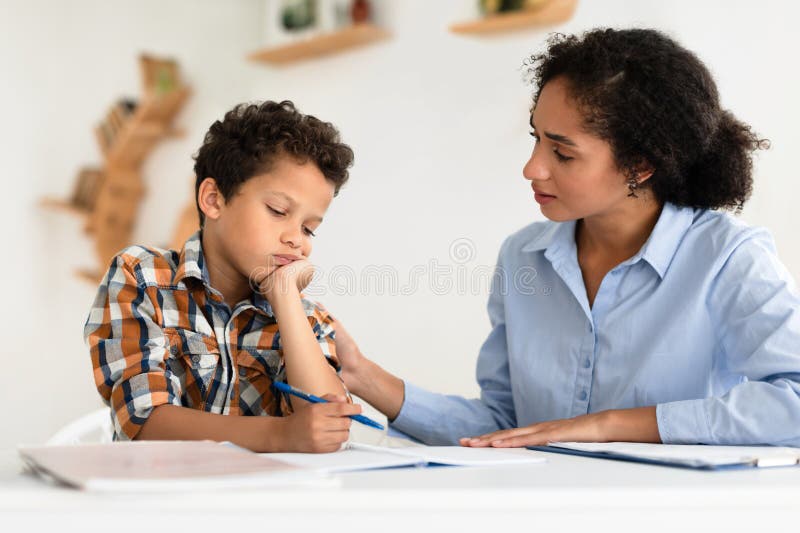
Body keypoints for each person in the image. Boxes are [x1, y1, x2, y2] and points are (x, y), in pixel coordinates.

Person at [331, 28, 800, 448]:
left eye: (563, 153)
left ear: (639, 165)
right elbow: (505, 424)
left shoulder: (727, 256)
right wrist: (363, 376)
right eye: (535, 139)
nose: (532, 168)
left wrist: (612, 424)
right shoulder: (523, 256)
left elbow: (793, 403)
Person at [84, 100, 362, 452]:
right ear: (214, 199)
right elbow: (145, 421)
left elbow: (327, 427)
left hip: (264, 500)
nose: (296, 239)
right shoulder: (142, 277)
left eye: (309, 229)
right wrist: (280, 435)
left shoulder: (306, 317)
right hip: (159, 499)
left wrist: (287, 303)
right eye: (278, 211)